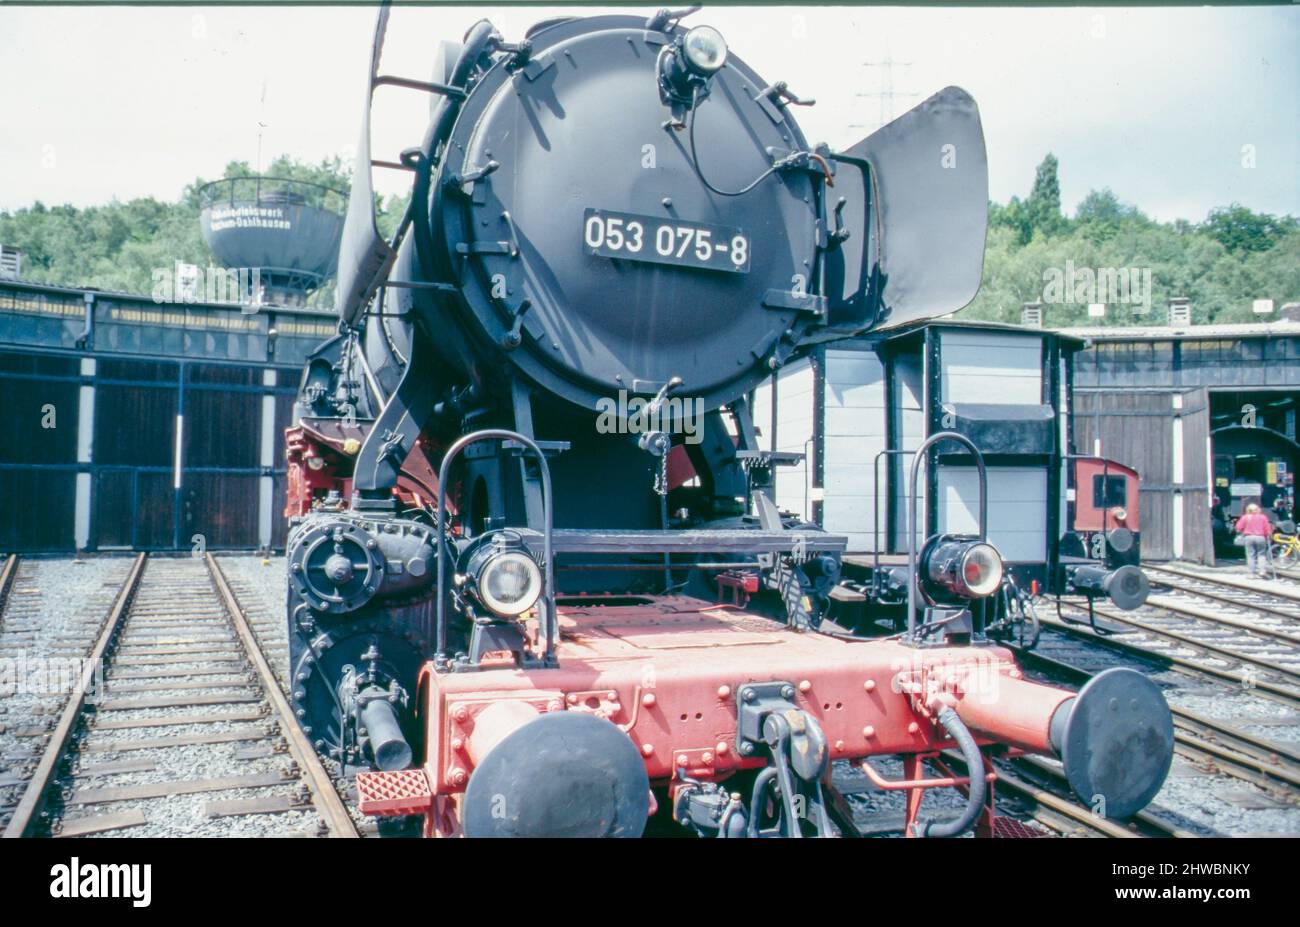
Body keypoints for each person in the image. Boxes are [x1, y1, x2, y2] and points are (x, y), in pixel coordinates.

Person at [1235, 503, 1273, 577]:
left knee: (1250, 555)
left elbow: (1238, 527)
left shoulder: (1245, 517)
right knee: (1261, 555)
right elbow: (1267, 528)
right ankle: (1262, 571)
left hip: (1249, 537)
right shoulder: (1263, 517)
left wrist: (1244, 530)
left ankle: (1251, 573)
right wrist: (1269, 535)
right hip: (1261, 537)